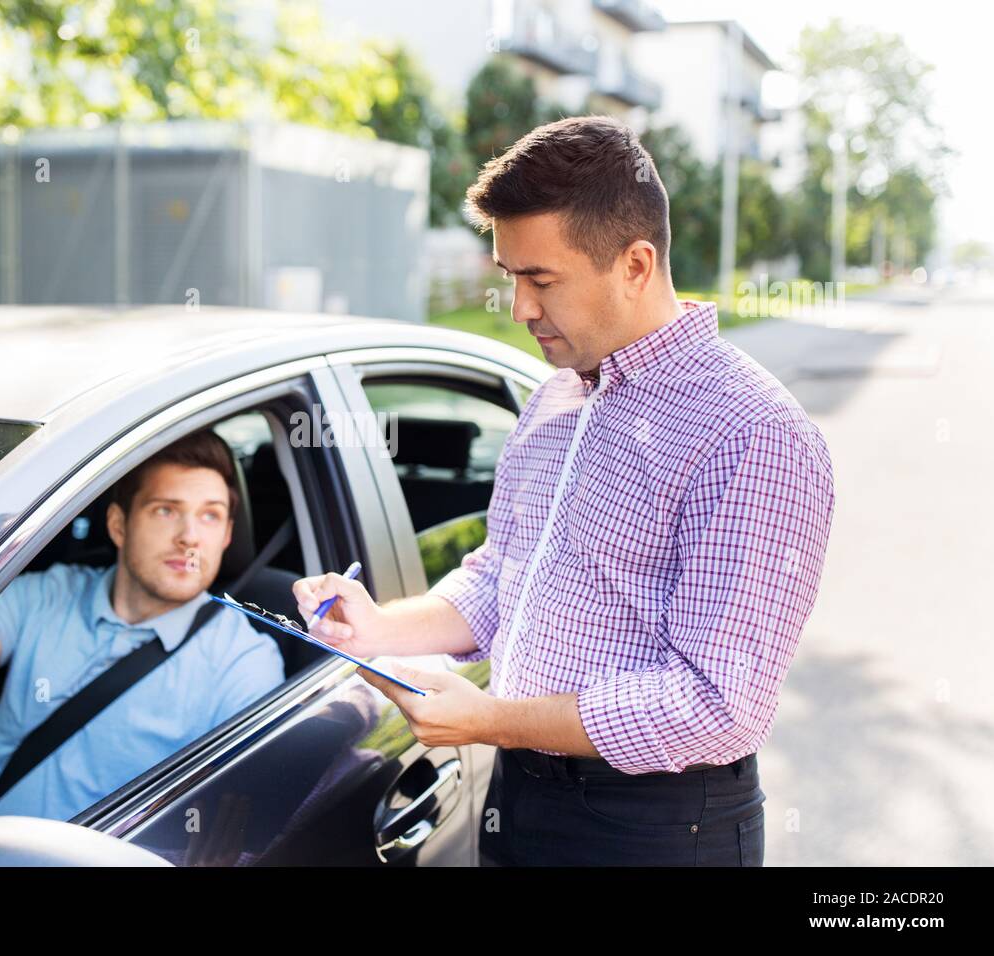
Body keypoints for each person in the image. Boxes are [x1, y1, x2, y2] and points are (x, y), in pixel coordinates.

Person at [292, 116, 835, 866]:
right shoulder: (554, 400)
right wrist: (378, 628)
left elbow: (716, 706)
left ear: (636, 265)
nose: (519, 309)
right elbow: (499, 578)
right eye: (510, 277)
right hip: (520, 796)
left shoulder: (753, 433)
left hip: (656, 829)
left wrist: (494, 719)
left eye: (541, 279)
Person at [0, 428, 284, 822]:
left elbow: (242, 814)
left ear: (228, 534)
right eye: (166, 510)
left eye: (210, 516)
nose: (190, 537)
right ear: (118, 525)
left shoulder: (243, 661)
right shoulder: (50, 595)